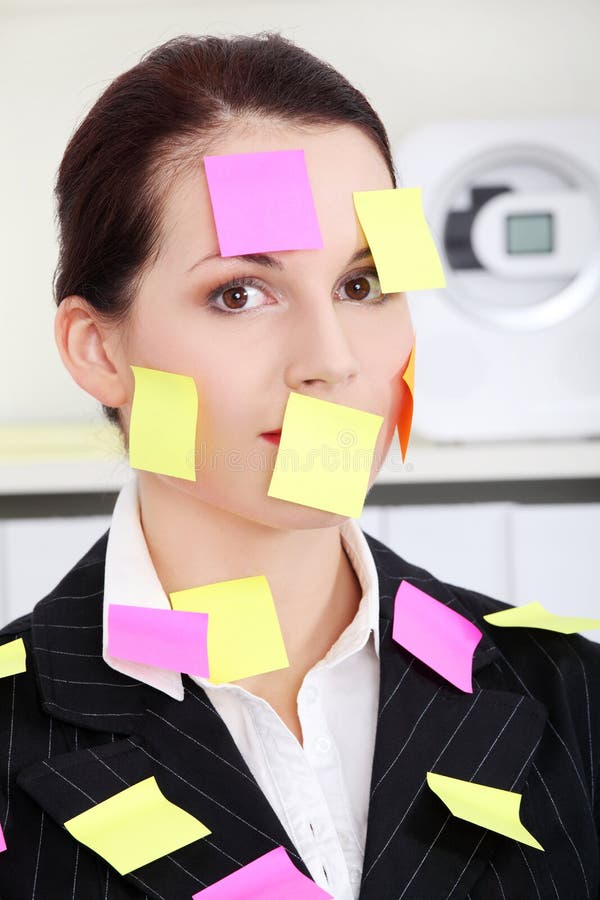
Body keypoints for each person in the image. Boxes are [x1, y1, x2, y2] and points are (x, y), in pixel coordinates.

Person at [0, 32, 598, 900]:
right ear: (98, 350)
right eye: (240, 293)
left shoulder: (572, 696)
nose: (332, 360)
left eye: (362, 286)